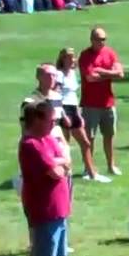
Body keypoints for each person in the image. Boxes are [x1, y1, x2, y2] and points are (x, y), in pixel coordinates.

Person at [17, 101, 76, 256]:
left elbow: (66, 162)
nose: (55, 123)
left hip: (59, 206)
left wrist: (59, 162)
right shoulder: (30, 144)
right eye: (51, 119)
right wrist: (60, 163)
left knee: (57, 254)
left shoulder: (48, 138)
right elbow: (55, 172)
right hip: (43, 208)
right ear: (38, 119)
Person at [79, 27, 125, 177]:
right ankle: (89, 168)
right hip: (90, 103)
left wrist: (102, 72)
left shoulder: (110, 52)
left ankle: (111, 165)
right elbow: (90, 77)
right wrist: (111, 74)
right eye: (98, 39)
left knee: (109, 136)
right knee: (89, 138)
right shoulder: (85, 55)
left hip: (108, 102)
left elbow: (120, 73)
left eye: (104, 39)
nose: (101, 42)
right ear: (91, 39)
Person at [54, 47, 102, 182]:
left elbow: (73, 94)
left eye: (73, 57)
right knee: (64, 145)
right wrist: (63, 115)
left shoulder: (72, 73)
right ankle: (64, 173)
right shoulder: (59, 75)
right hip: (63, 109)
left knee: (85, 142)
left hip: (73, 109)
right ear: (62, 59)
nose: (72, 60)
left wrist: (78, 113)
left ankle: (91, 173)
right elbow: (57, 95)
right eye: (68, 57)